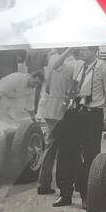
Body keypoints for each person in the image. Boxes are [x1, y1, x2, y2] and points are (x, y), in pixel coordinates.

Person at [52, 45, 106, 208]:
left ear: (94, 51)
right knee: (66, 153)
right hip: (73, 112)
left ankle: (86, 194)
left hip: (92, 114)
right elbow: (56, 66)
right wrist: (69, 49)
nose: (81, 52)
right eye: (80, 50)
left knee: (90, 155)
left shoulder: (104, 68)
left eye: (84, 50)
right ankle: (65, 194)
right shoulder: (77, 65)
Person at [36, 48, 79, 196]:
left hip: (49, 108)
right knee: (55, 148)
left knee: (50, 146)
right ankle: (44, 184)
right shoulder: (71, 68)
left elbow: (47, 89)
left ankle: (44, 182)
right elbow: (73, 90)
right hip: (61, 109)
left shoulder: (52, 69)